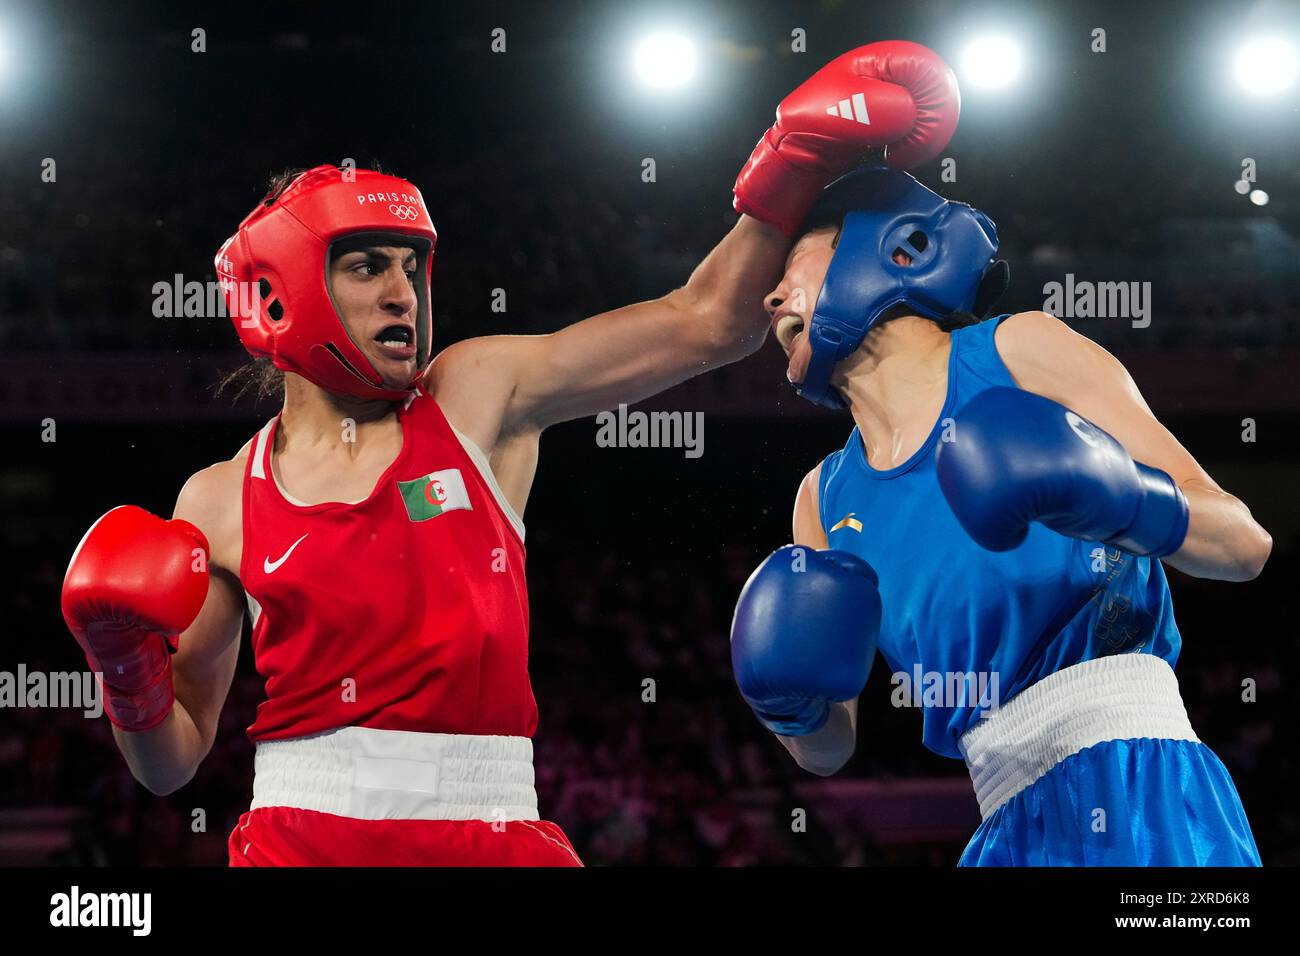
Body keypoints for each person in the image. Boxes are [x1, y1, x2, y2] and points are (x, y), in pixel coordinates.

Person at [60, 41, 963, 866]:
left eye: (412, 268)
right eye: (367, 266)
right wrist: (126, 669)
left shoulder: (472, 395)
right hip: (302, 839)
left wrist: (791, 162)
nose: (403, 293)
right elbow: (171, 763)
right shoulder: (221, 499)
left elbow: (707, 324)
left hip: (490, 824)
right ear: (284, 293)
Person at [730, 166, 1272, 866]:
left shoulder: (1021, 351)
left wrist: (1124, 498)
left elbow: (1244, 545)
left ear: (890, 252)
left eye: (793, 262)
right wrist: (789, 709)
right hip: (1003, 824)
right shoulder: (822, 497)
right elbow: (830, 751)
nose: (771, 295)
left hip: (1140, 779)